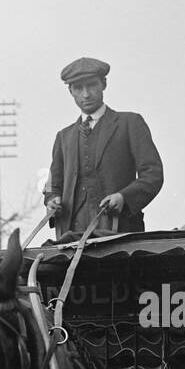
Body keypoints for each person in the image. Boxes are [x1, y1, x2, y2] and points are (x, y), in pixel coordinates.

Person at [44, 57, 163, 237]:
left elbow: (152, 174)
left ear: (104, 84)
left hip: (119, 232)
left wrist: (124, 197)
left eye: (91, 85)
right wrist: (52, 201)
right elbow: (53, 186)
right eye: (78, 88)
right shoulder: (63, 137)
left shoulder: (129, 123)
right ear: (70, 91)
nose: (86, 94)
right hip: (70, 236)